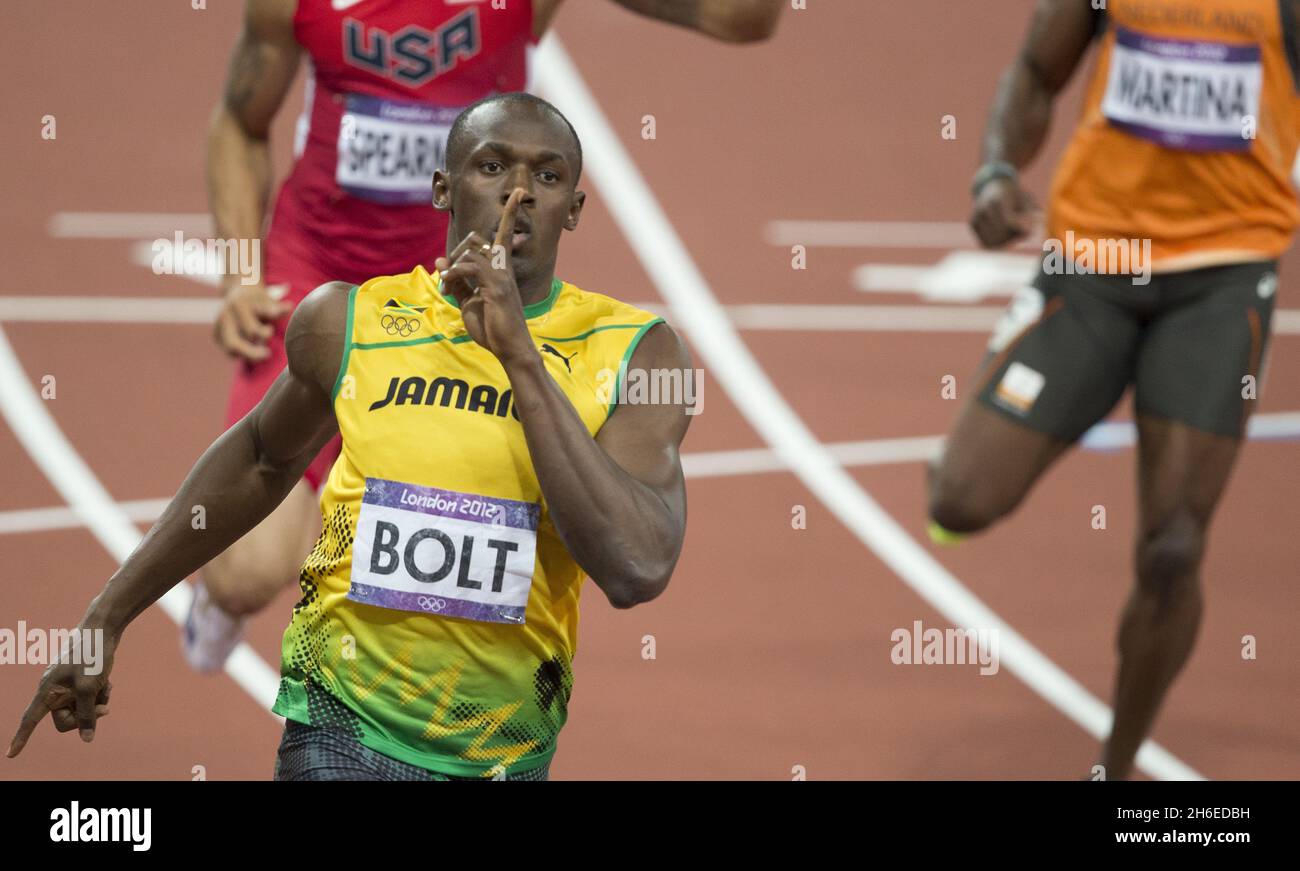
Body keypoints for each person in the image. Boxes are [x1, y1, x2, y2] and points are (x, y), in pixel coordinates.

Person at [10, 94, 694, 781]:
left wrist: (521, 356)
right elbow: (259, 461)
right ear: (442, 189)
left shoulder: (637, 354)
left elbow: (636, 567)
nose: (519, 191)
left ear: (573, 209)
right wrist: (107, 614)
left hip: (503, 754)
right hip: (338, 728)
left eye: (547, 177)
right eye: (491, 167)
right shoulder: (351, 321)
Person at [189, 0, 782, 672]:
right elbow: (240, 123)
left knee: (404, 558)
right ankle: (219, 603)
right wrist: (240, 274)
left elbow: (742, 18)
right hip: (318, 275)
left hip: (461, 289)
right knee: (247, 572)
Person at [928, 0, 1296, 779]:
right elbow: (1034, 71)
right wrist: (996, 168)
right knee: (959, 499)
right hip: (1092, 262)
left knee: (1173, 548)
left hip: (1223, 278)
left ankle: (1116, 768)